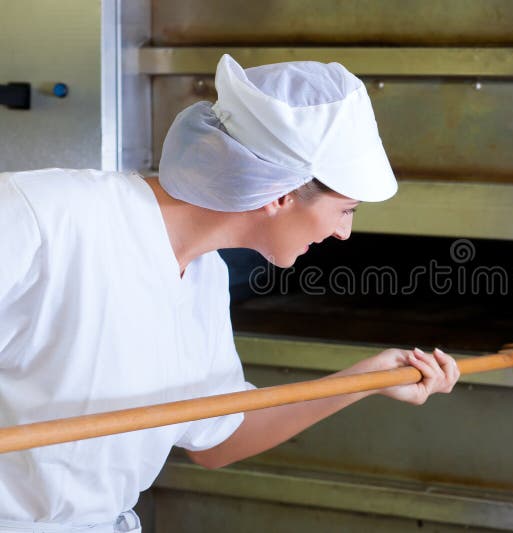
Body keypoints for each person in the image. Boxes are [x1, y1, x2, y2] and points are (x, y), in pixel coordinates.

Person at [0, 54, 460, 532]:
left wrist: (363, 381)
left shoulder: (205, 277)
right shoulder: (44, 215)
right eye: (346, 210)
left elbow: (216, 439)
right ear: (281, 194)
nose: (345, 233)